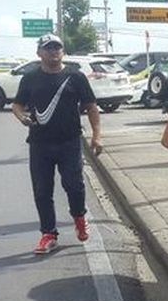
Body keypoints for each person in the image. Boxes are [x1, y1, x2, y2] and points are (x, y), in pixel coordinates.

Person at [12, 33, 103, 255]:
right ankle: (48, 234)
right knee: (42, 190)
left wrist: (97, 135)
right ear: (39, 53)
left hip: (69, 142)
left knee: (74, 185)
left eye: (57, 47)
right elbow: (17, 104)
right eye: (48, 48)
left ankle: (79, 217)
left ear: (63, 51)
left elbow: (91, 107)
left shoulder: (76, 77)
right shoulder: (30, 79)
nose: (53, 52)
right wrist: (22, 117)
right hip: (39, 144)